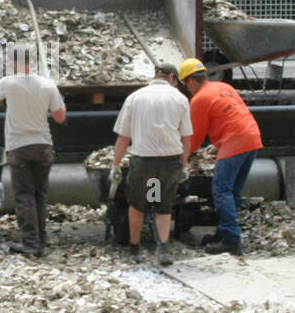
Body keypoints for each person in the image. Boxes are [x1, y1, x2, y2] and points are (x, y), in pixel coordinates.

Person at [178, 58, 263, 256]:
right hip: (252, 137)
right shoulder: (224, 86)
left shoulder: (199, 99)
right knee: (233, 191)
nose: (186, 89)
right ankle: (223, 232)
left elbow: (195, 137)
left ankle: (232, 240)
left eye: (185, 84)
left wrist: (183, 158)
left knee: (221, 190)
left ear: (190, 81)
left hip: (235, 141)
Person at [111, 63, 192, 266]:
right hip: (170, 161)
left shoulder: (135, 97)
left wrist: (115, 165)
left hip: (144, 161)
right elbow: (186, 139)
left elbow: (123, 138)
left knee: (138, 205)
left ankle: (135, 248)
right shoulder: (180, 99)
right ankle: (163, 249)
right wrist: (184, 166)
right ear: (172, 77)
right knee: (163, 206)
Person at [0, 43, 66, 256]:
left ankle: (31, 244)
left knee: (25, 196)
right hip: (43, 145)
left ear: (14, 62)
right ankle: (41, 240)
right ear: (32, 61)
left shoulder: (8, 83)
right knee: (40, 195)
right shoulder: (48, 84)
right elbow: (60, 117)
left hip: (19, 146)